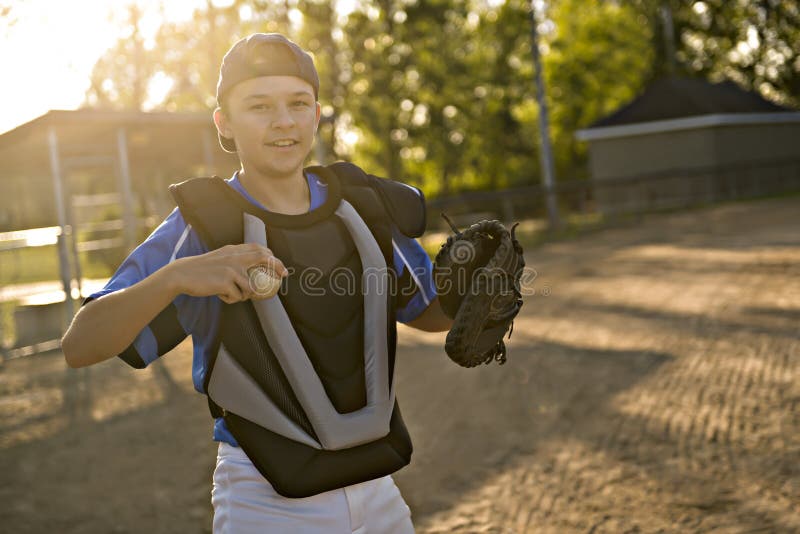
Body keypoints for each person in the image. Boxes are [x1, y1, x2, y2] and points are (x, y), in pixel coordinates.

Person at [61, 32, 453, 533]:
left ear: (316, 114)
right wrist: (176, 277)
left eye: (298, 103)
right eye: (259, 106)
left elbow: (428, 312)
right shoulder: (201, 225)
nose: (283, 121)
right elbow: (80, 345)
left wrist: (477, 297)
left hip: (378, 492)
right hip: (265, 499)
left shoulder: (363, 205)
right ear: (224, 122)